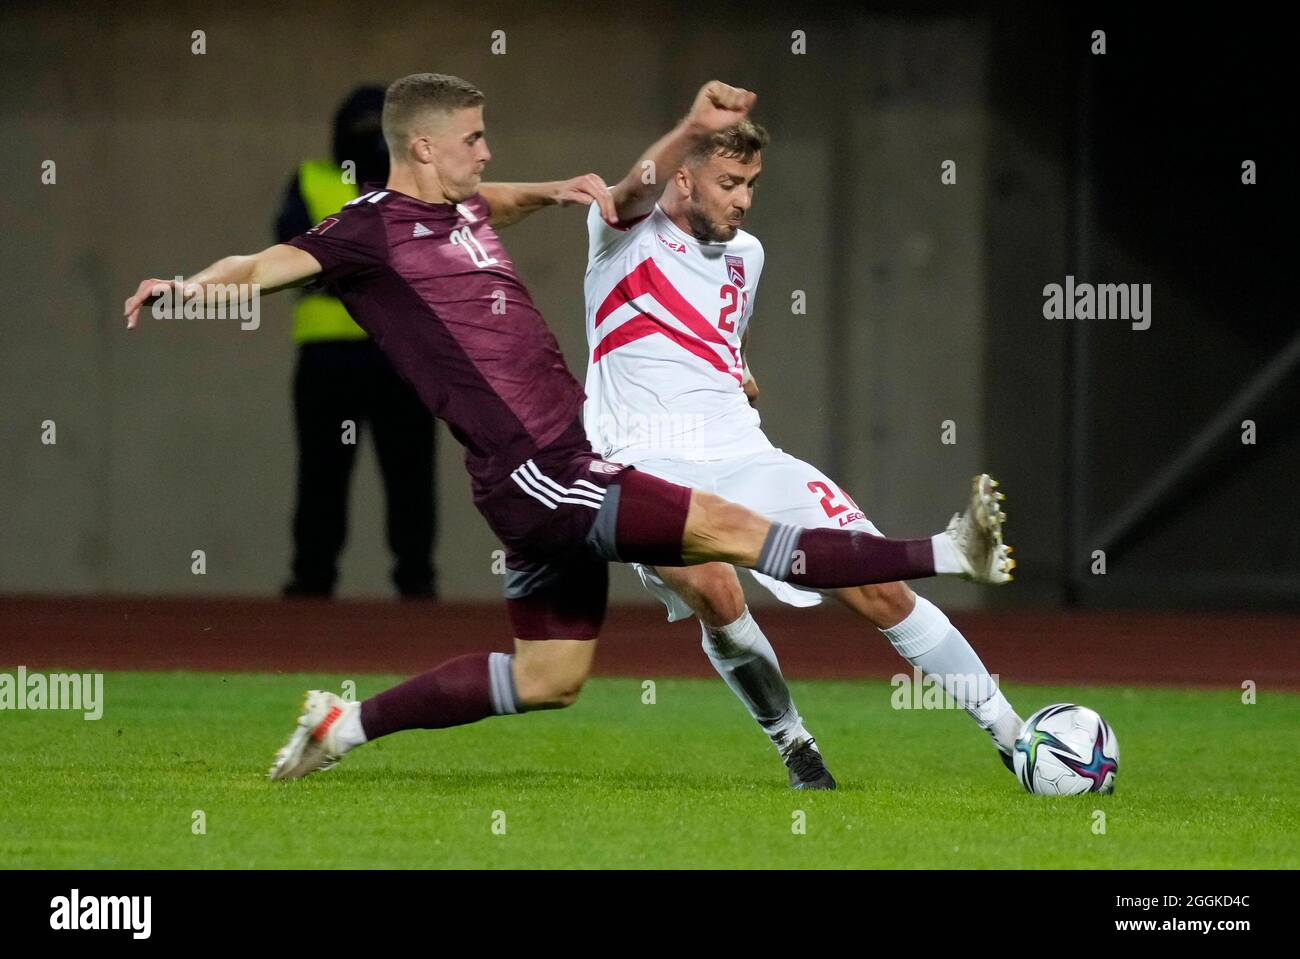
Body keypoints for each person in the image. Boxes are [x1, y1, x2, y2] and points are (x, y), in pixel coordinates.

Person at [121, 74, 1013, 782]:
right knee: (746, 539)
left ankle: (343, 722)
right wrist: (188, 290)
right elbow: (267, 263)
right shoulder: (369, 231)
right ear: (425, 145)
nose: (487, 149)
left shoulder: (462, 209)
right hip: (542, 469)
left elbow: (496, 200)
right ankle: (949, 549)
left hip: (552, 467)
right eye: (474, 137)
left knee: (550, 676)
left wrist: (545, 190)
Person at [582, 115, 1023, 788]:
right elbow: (627, 191)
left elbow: (727, 335)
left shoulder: (747, 256)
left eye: (752, 184)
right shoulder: (619, 235)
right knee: (715, 587)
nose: (744, 199)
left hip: (742, 451)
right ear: (682, 175)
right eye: (729, 182)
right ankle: (796, 744)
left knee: (877, 587)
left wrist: (742, 370)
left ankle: (1017, 739)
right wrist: (696, 120)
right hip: (646, 463)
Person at [277, 86, 438, 599]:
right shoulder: (311, 180)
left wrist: (337, 263)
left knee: (409, 475)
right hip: (330, 359)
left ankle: (416, 586)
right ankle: (312, 584)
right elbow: (292, 257)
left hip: (403, 358)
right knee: (322, 475)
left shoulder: (417, 187)